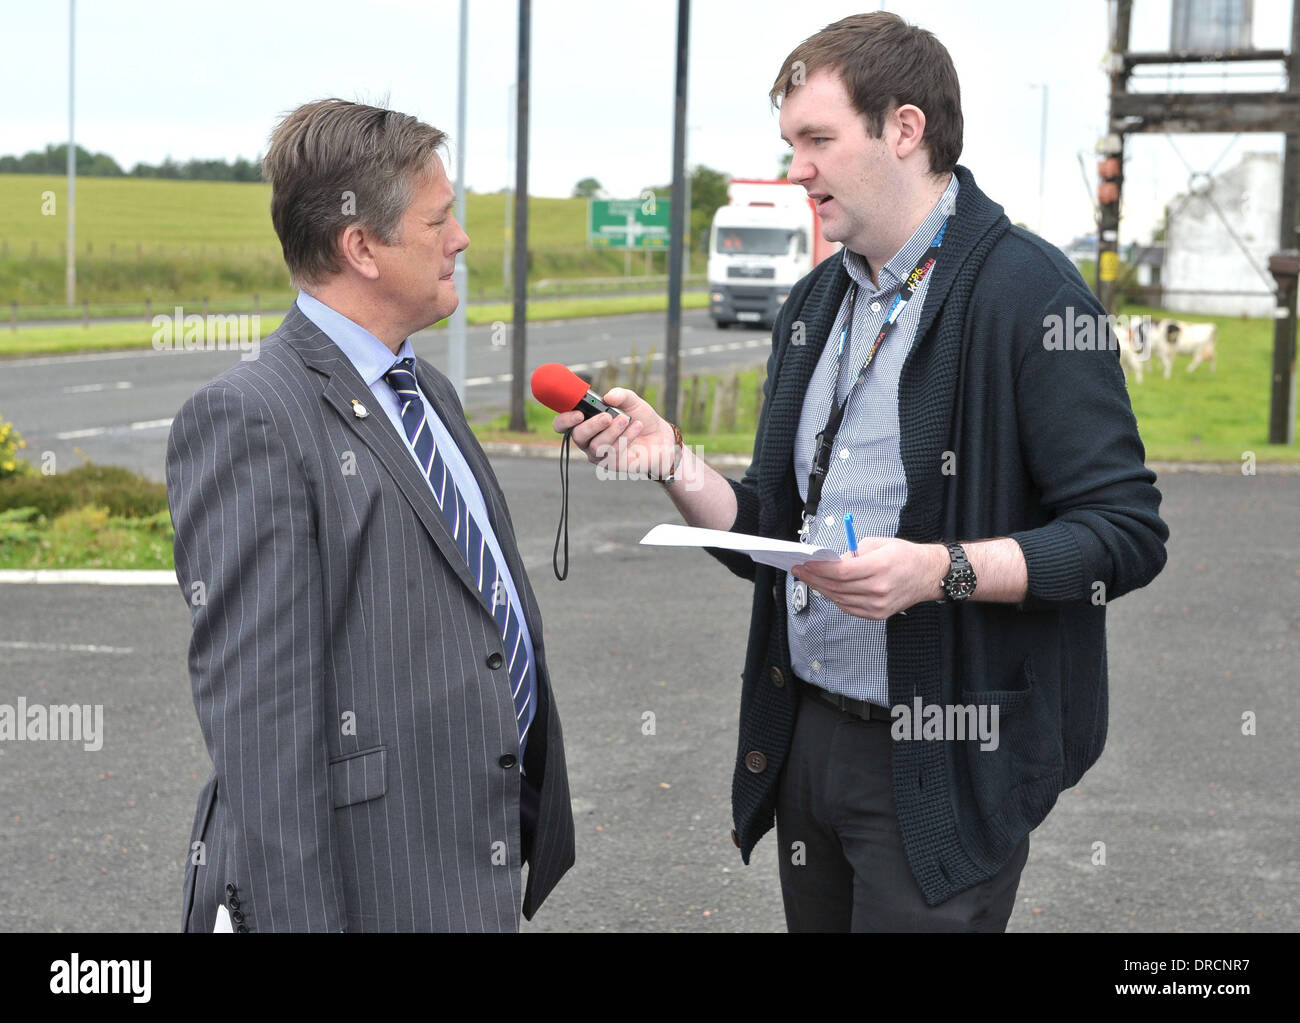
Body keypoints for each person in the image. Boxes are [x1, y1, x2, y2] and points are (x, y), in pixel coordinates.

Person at [554, 12, 1168, 932]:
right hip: (808, 741)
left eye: (817, 139)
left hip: (946, 762)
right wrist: (672, 462)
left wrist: (940, 569)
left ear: (905, 130)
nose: (795, 167)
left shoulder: (1029, 296)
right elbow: (773, 523)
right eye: (788, 142)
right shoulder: (814, 303)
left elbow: (1124, 534)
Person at [166, 99, 574, 933]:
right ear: (362, 247)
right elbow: (261, 728)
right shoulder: (252, 418)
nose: (460, 238)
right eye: (440, 218)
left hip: (469, 862)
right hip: (373, 884)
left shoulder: (427, 390)